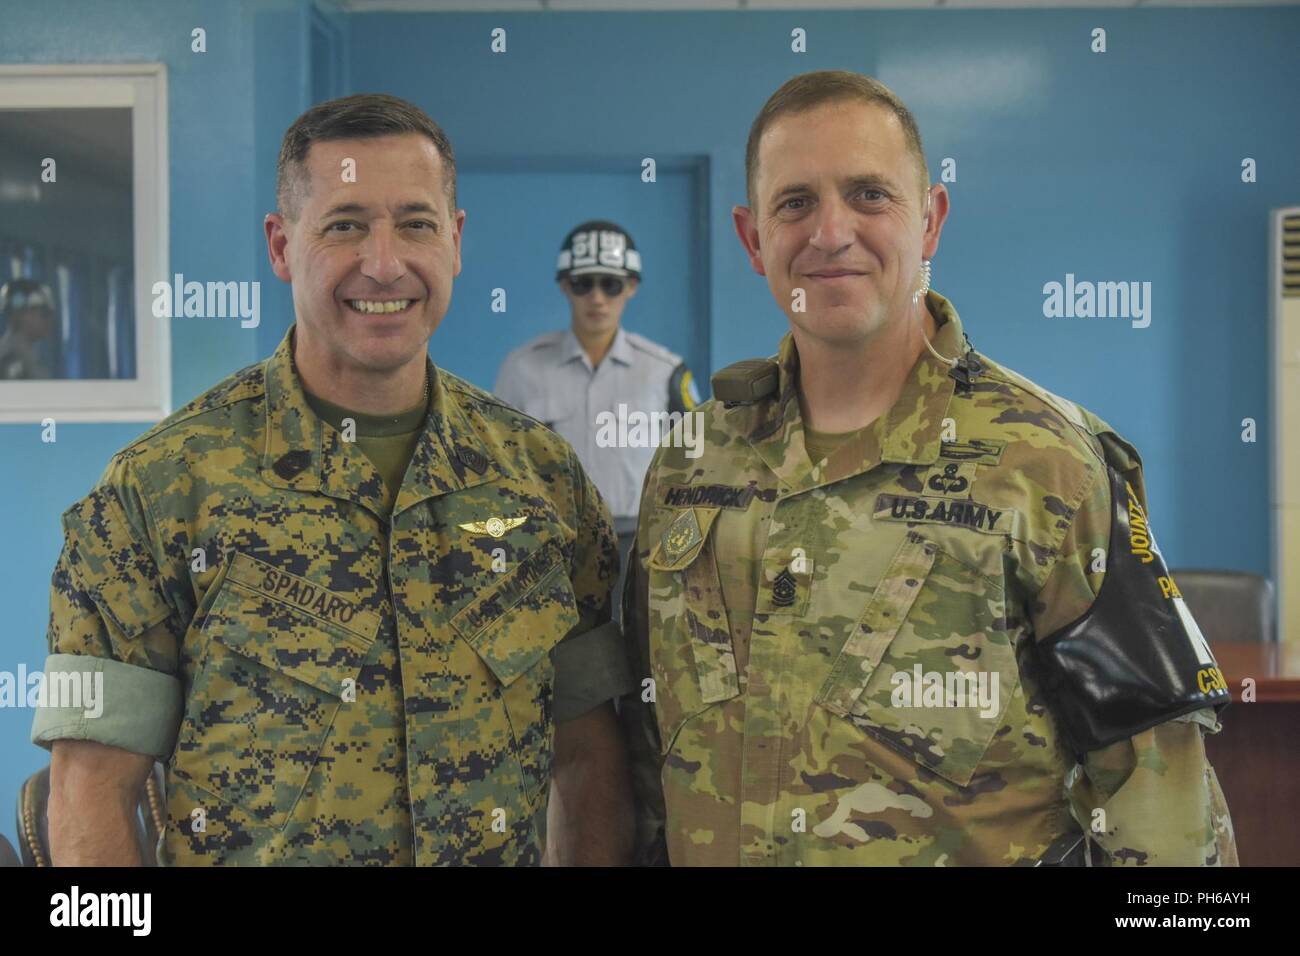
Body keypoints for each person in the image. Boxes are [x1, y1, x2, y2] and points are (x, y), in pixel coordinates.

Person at [619, 70, 1237, 866]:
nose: (831, 232)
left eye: (870, 195)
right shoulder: (690, 461)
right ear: (752, 238)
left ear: (931, 220)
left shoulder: (1048, 462)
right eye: (795, 203)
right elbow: (645, 762)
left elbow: (1162, 796)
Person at [31, 93, 634, 866]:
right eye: (345, 224)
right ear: (282, 247)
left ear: (454, 243)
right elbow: (89, 790)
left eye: (415, 223)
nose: (383, 263)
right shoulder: (159, 491)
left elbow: (587, 753)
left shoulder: (542, 482)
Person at [494, 221, 700, 615]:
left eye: (611, 284)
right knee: (561, 663)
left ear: (633, 286)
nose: (597, 298)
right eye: (583, 284)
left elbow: (697, 467)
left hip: (642, 544)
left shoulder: (665, 371)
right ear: (564, 286)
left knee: (641, 658)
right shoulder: (522, 369)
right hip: (550, 543)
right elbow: (498, 469)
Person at [0, 277, 56, 379]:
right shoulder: (9, 360)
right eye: (44, 313)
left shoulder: (26, 355)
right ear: (23, 315)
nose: (49, 320)